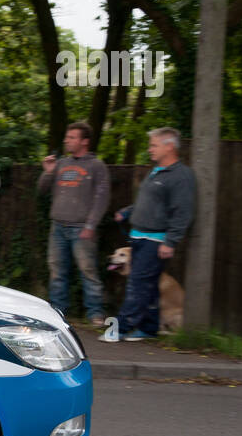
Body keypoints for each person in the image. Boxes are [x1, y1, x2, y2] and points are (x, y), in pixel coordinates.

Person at [101, 127, 197, 342]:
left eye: (154, 145)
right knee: (150, 286)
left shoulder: (181, 176)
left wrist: (170, 241)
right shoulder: (156, 172)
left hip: (155, 240)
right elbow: (149, 203)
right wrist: (127, 212)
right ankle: (148, 328)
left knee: (137, 283)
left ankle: (121, 328)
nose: (149, 149)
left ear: (169, 146)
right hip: (138, 237)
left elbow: (183, 212)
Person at [38, 121, 109, 326]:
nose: (66, 140)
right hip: (58, 226)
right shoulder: (60, 164)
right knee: (57, 271)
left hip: (82, 228)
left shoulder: (96, 166)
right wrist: (48, 171)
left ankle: (95, 313)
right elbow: (42, 190)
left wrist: (91, 225)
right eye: (66, 137)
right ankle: (57, 312)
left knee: (88, 271)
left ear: (84, 141)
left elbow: (101, 198)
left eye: (72, 137)